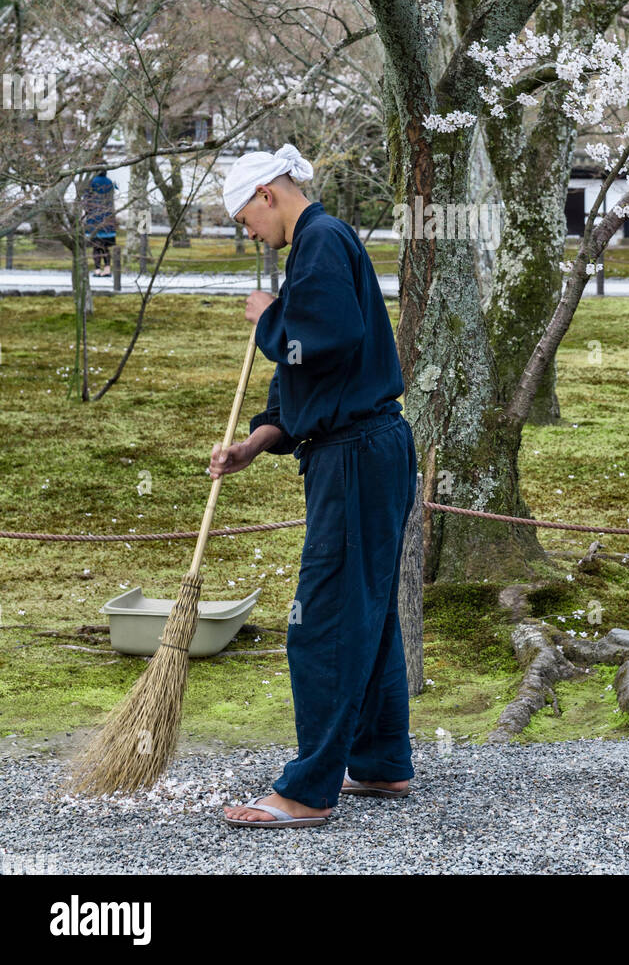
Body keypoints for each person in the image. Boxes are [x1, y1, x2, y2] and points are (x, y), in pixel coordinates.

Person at [209, 142, 418, 828]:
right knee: (369, 611)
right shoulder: (319, 245)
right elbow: (310, 372)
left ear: (269, 194)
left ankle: (307, 790)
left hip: (355, 454)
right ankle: (380, 761)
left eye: (245, 219)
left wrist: (267, 317)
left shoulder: (320, 240)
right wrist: (258, 440)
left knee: (324, 617)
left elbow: (320, 340)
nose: (249, 234)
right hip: (363, 447)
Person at [83, 168, 118, 275]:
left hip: (94, 219)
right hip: (108, 219)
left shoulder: (91, 183)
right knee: (106, 247)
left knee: (96, 246)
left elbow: (86, 200)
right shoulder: (110, 183)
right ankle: (107, 269)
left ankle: (97, 269)